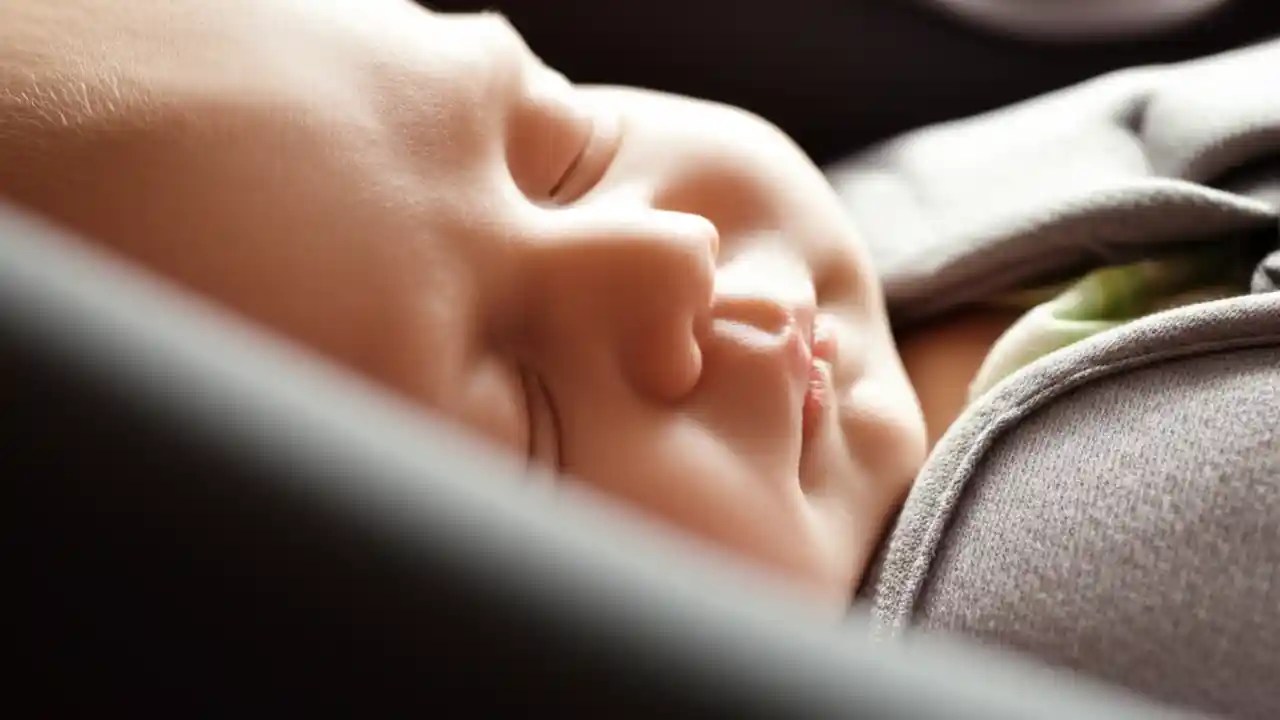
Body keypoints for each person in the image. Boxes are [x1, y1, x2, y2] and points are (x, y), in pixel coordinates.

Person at [1, 0, 1258, 614]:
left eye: (565, 148)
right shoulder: (1028, 632)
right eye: (526, 420)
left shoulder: (911, 190)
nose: (667, 257)